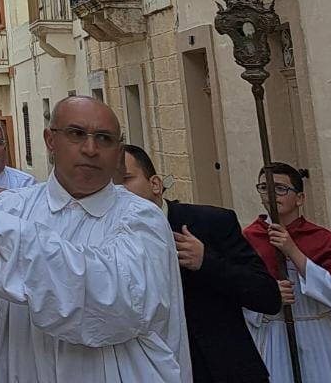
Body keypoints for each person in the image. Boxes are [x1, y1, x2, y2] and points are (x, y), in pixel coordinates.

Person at [0, 95, 189, 382]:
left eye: (104, 139)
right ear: (50, 140)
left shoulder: (142, 219)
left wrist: (8, 234)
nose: (90, 149)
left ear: (118, 153)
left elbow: (113, 305)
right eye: (76, 134)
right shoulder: (11, 209)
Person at [119, 143, 280, 382]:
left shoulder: (211, 222)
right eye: (108, 184)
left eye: (125, 179)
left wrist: (206, 262)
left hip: (221, 371)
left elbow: (267, 296)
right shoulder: (107, 242)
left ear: (155, 184)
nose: (117, 191)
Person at [243, 163, 331, 383]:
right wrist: (268, 295)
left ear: (299, 198)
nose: (271, 194)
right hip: (271, 334)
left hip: (316, 335)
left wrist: (292, 251)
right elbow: (238, 292)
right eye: (264, 187)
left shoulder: (322, 239)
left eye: (280, 188)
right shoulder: (249, 238)